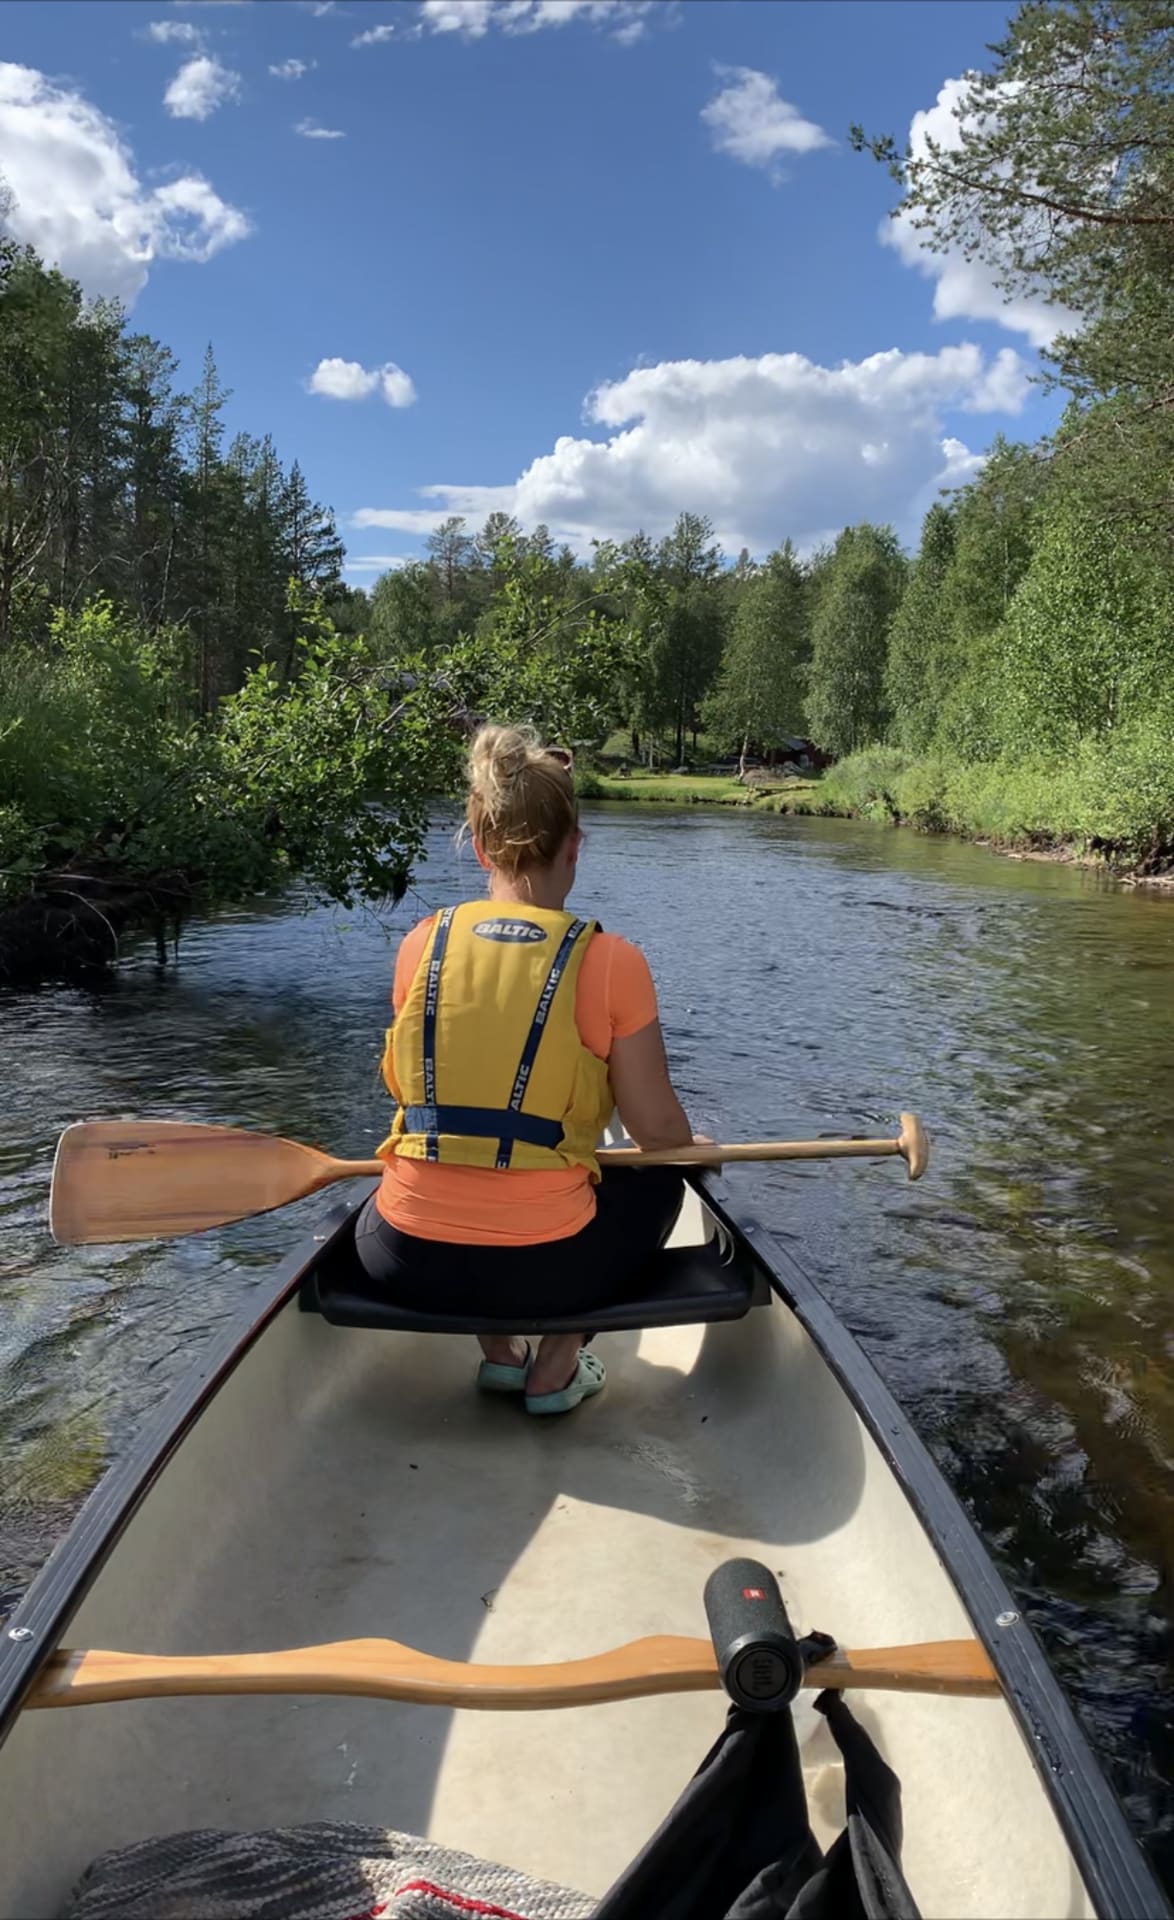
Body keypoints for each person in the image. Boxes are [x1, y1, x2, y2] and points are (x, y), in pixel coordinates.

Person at [354, 723, 696, 1415]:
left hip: (403, 1261)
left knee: (416, 1175)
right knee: (664, 1176)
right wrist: (695, 1153)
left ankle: (500, 1353)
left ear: (479, 845)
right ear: (576, 847)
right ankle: (557, 1363)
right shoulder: (613, 963)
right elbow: (655, 1129)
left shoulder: (420, 944)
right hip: (549, 1273)